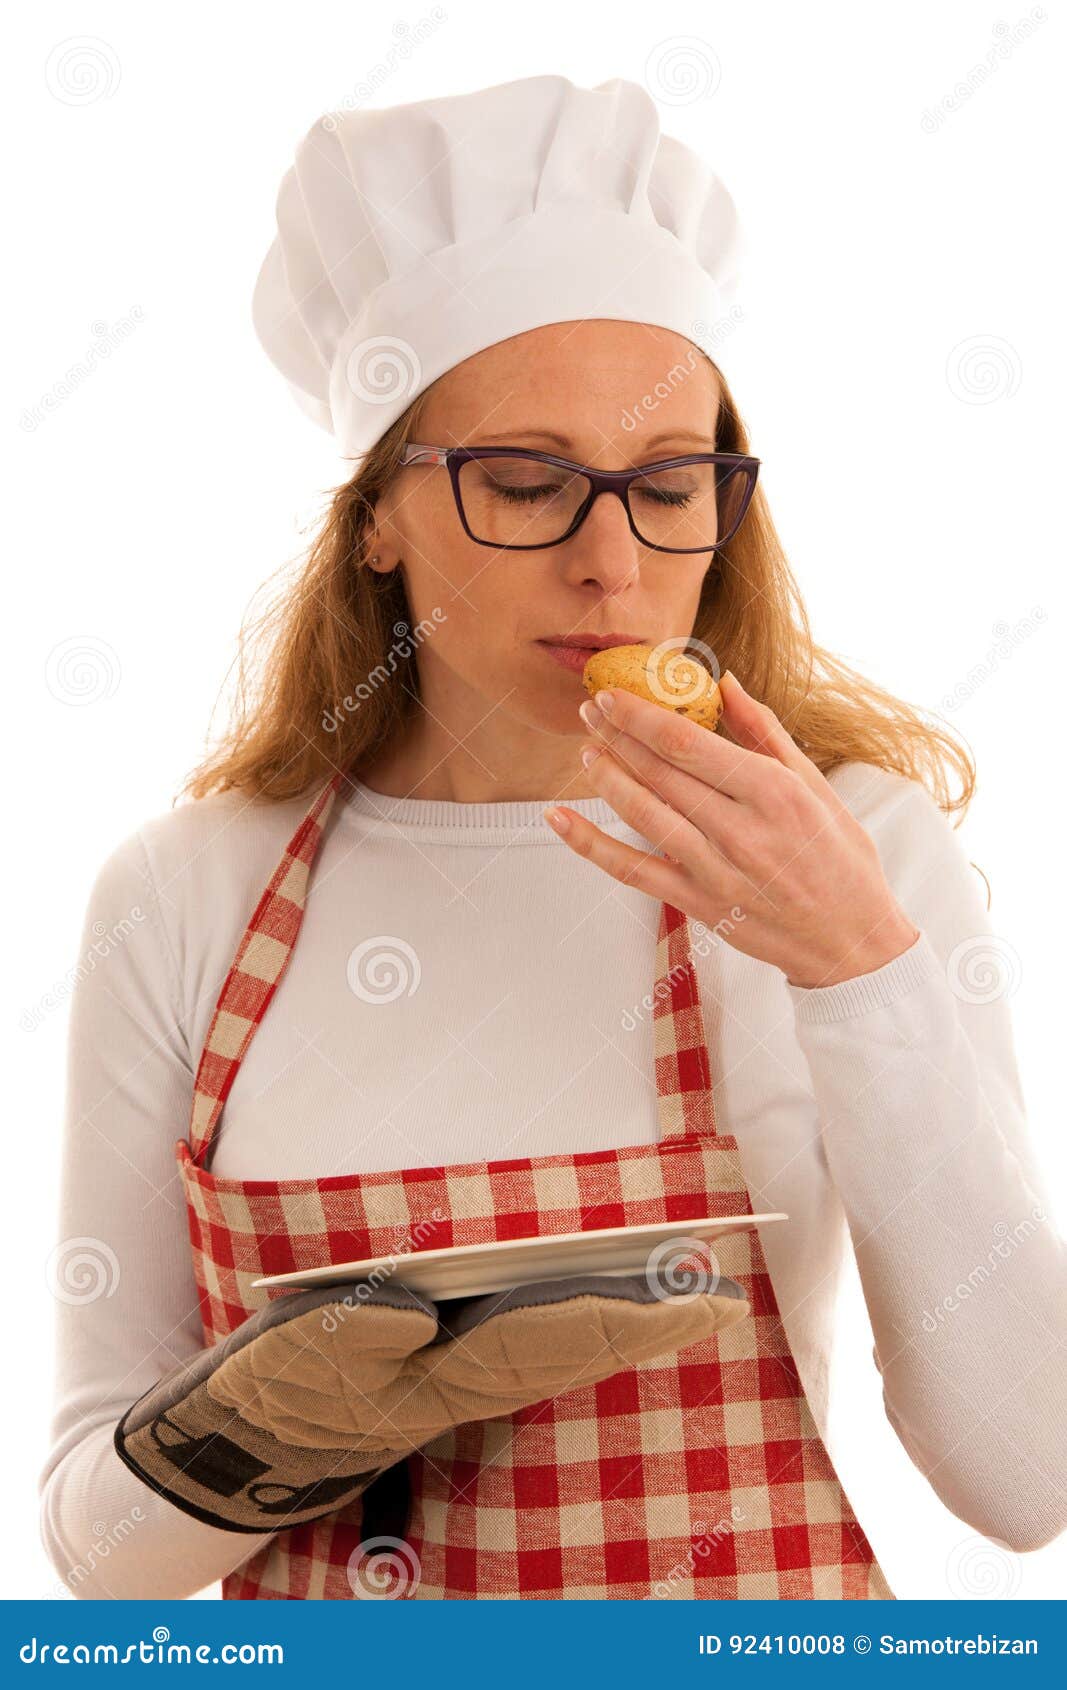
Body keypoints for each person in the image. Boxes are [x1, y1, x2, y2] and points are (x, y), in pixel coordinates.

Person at [40, 73, 1065, 1602]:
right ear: (376, 511)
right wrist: (253, 1432)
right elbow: (97, 1557)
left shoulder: (848, 848)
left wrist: (858, 967)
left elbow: (1027, 1476)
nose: (611, 565)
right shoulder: (187, 893)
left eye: (669, 486)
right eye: (526, 482)